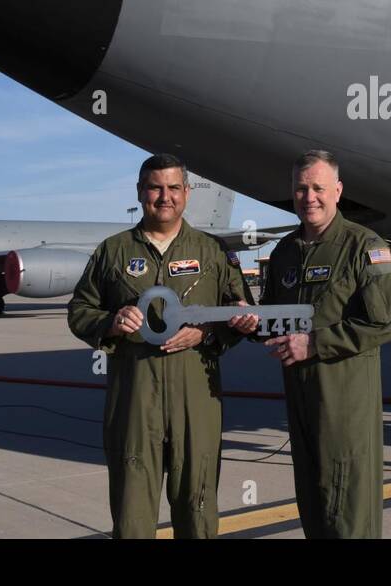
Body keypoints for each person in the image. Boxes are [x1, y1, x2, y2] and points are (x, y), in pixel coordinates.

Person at [67, 153, 258, 538]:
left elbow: (240, 314)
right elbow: (79, 311)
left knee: (197, 508)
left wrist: (207, 333)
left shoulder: (214, 251)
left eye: (173, 187)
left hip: (197, 400)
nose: (164, 196)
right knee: (132, 515)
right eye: (155, 187)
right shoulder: (113, 251)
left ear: (187, 193)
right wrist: (112, 323)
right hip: (135, 400)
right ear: (140, 192)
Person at [261, 150, 391, 538]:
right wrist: (249, 319)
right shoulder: (285, 252)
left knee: (347, 513)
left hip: (344, 405)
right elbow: (272, 318)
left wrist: (315, 344)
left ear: (337, 191)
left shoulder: (364, 247)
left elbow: (387, 321)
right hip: (300, 402)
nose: (310, 197)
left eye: (319, 188)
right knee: (313, 506)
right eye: (301, 188)